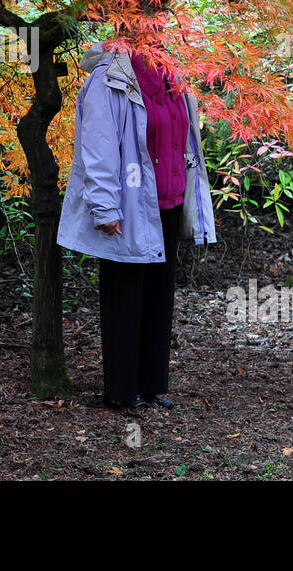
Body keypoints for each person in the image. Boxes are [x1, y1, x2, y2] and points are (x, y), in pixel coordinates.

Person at [56, 39, 217, 410]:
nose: (157, 30)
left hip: (168, 203)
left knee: (159, 297)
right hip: (128, 207)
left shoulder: (172, 74)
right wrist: (105, 207)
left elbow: (186, 140)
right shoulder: (108, 77)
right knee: (124, 297)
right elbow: (97, 146)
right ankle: (122, 392)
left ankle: (151, 386)